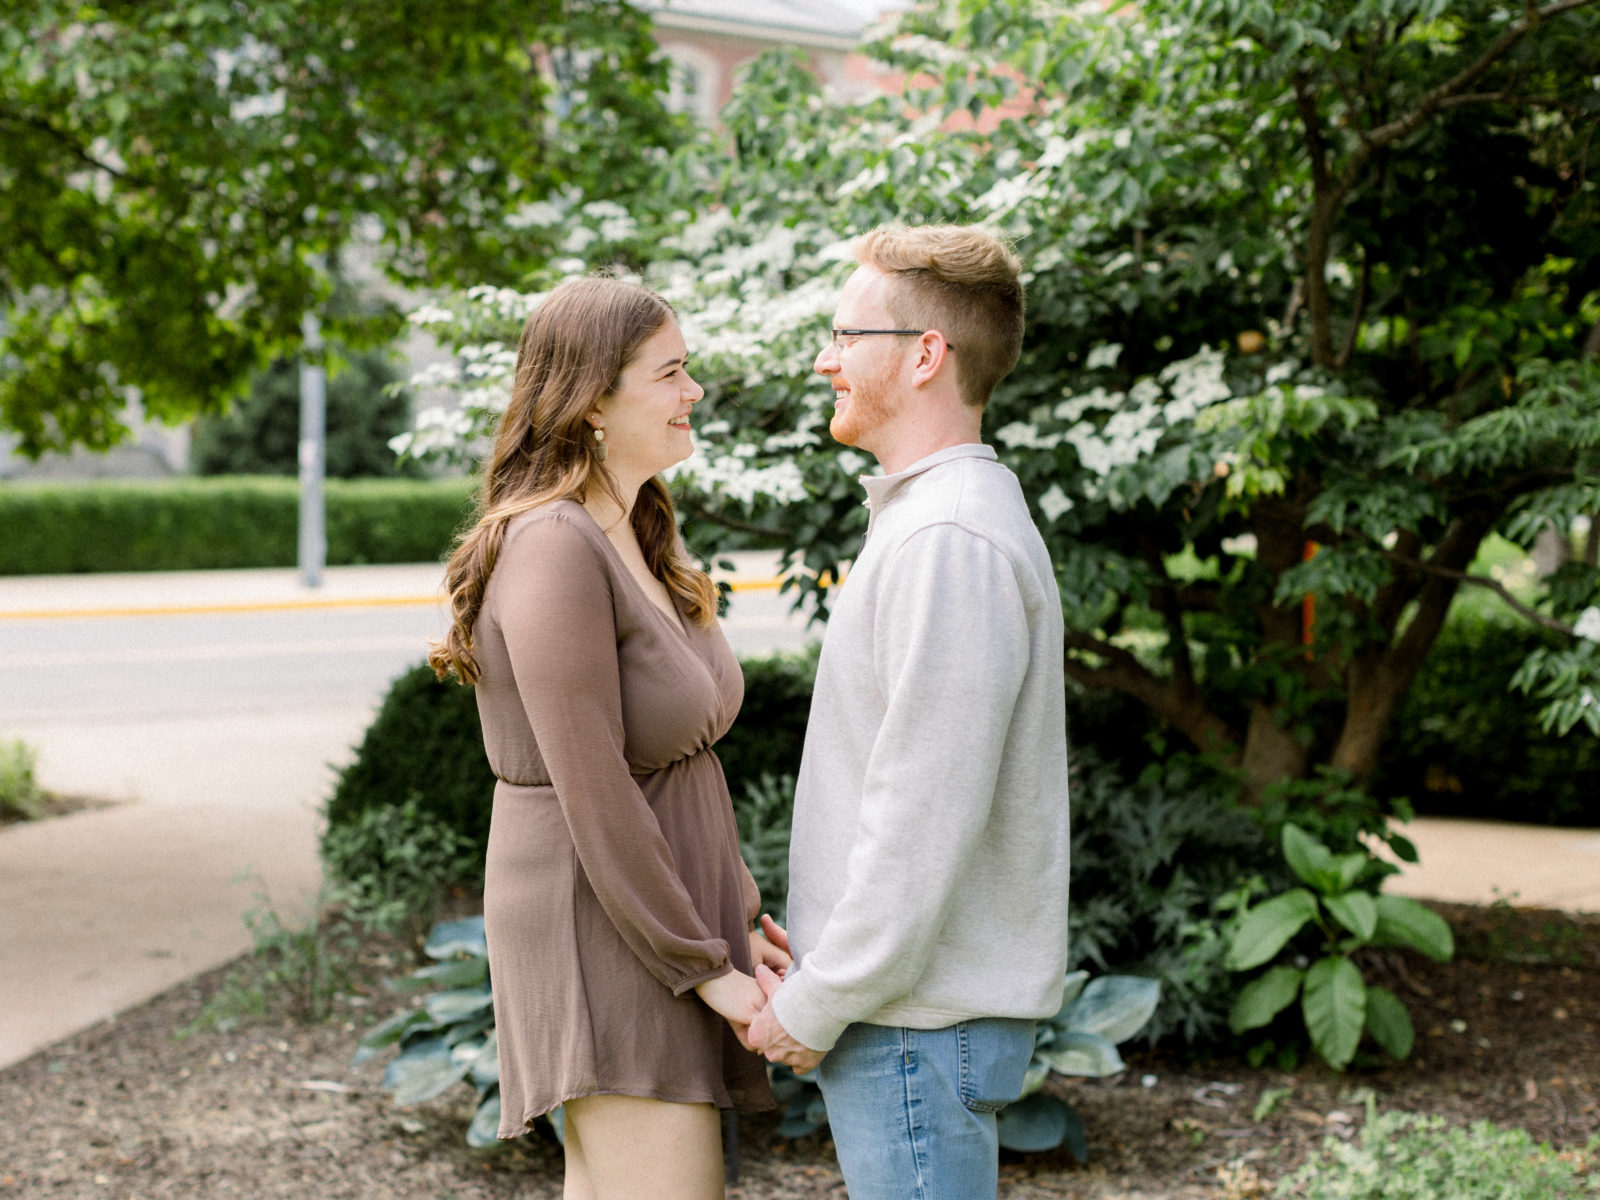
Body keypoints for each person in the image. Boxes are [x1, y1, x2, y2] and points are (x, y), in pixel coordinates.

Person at [429, 275, 786, 1200]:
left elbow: (679, 764)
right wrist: (704, 965)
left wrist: (739, 914)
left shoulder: (640, 528)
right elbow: (593, 788)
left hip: (658, 917)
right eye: (670, 373)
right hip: (599, 922)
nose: (693, 392)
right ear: (591, 401)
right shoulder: (553, 544)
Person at [748, 225, 1072, 1199]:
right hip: (905, 1016)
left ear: (926, 353)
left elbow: (921, 817)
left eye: (846, 334)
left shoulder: (947, 540)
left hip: (912, 1026)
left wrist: (820, 997)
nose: (824, 359)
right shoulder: (932, 523)